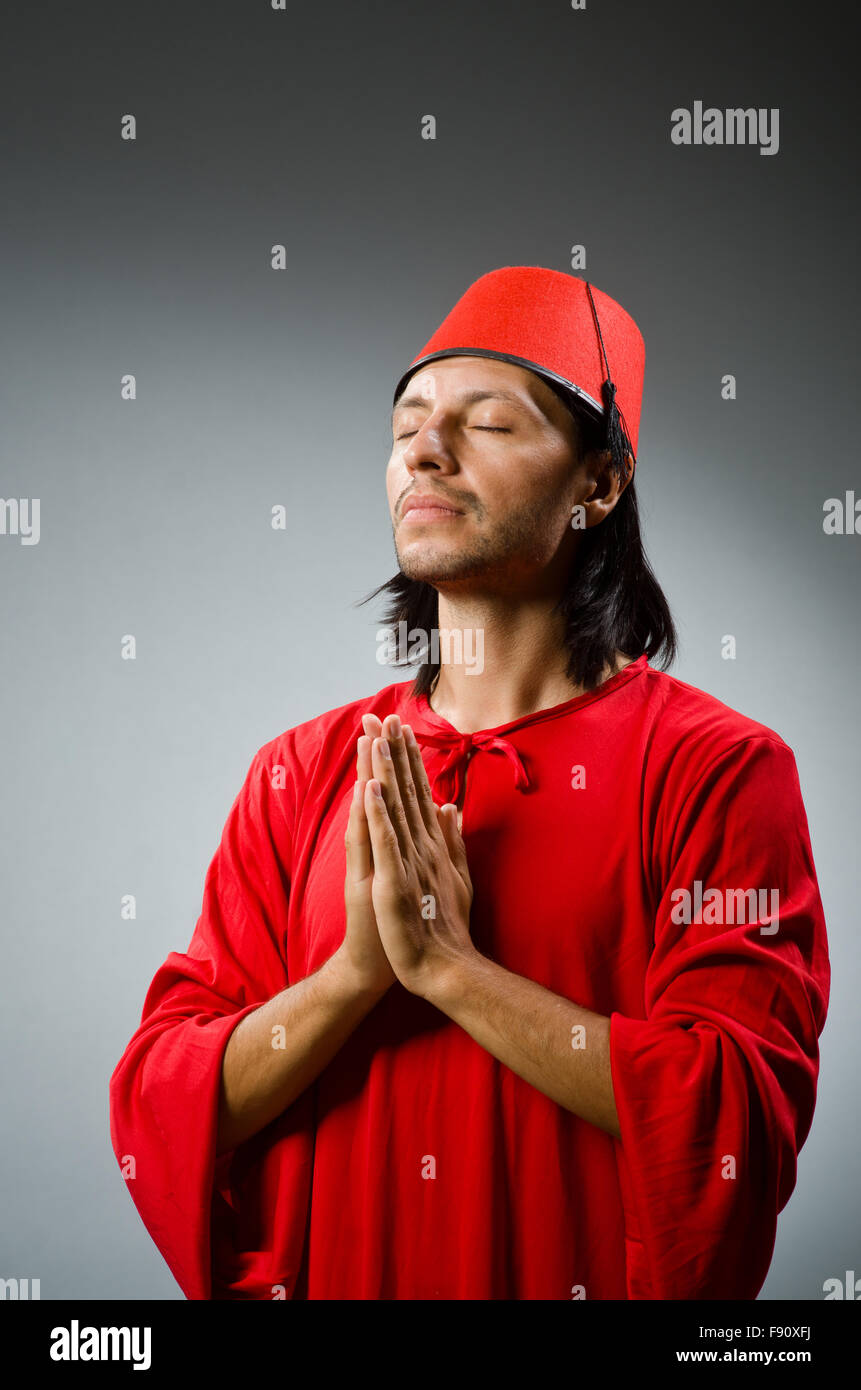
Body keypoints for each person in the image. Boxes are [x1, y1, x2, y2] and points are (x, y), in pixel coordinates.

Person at [109, 266, 830, 1300]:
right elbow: (164, 1096)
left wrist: (452, 969)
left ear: (601, 482)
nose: (425, 450)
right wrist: (355, 976)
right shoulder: (299, 773)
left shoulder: (716, 771)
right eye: (408, 422)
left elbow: (730, 1119)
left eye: (487, 422)